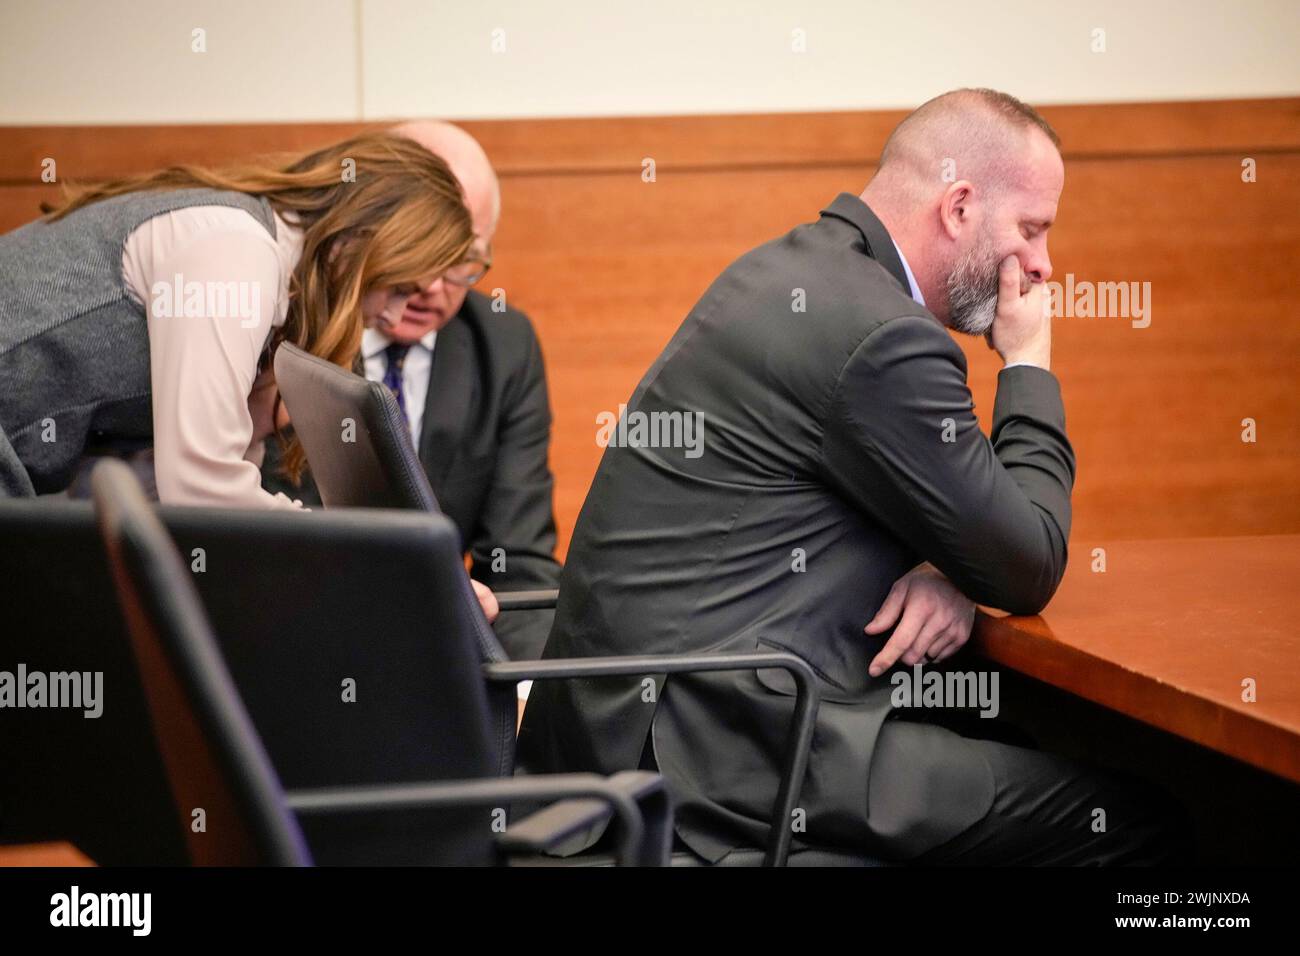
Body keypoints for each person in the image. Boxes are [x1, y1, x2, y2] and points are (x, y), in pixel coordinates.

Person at [517, 89, 1191, 864]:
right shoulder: (882, 337)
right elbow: (1027, 562)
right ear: (961, 207)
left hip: (628, 730)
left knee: (1001, 726)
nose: (1044, 265)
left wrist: (946, 568)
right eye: (1033, 229)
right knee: (1138, 817)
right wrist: (1030, 364)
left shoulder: (787, 272)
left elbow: (860, 506)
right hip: (724, 759)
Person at [0, 131, 475, 512]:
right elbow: (203, 487)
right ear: (359, 243)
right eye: (397, 287)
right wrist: (362, 562)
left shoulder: (258, 264)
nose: (390, 316)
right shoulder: (233, 251)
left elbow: (185, 494)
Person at [262, 121, 562, 662]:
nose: (430, 284)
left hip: (439, 664)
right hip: (291, 641)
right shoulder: (288, 324)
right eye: (420, 251)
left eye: (461, 261)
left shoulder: (504, 347)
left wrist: (528, 694)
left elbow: (518, 565)